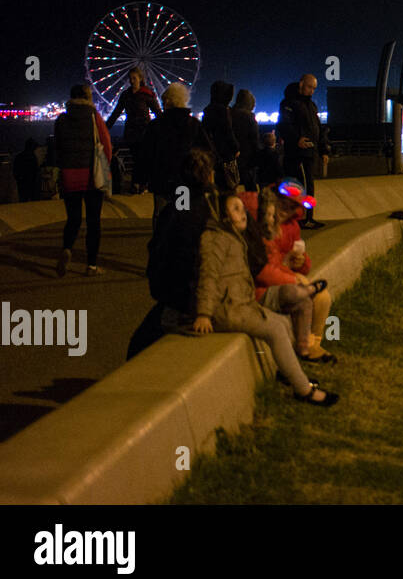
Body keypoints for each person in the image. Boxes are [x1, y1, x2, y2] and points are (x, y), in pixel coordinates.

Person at [193, 193, 337, 406]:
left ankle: (290, 374)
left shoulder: (233, 236)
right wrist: (204, 314)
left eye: (242, 209)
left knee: (283, 322)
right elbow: (208, 276)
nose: (243, 215)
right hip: (227, 309)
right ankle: (304, 390)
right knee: (276, 329)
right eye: (235, 209)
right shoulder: (214, 239)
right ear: (223, 216)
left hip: (241, 303)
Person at [128, 148, 220, 359]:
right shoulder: (219, 207)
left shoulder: (177, 210)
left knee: (138, 348)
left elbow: (159, 250)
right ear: (210, 175)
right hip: (213, 290)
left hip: (182, 295)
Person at [244, 184, 334, 363]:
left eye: (293, 207)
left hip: (281, 275)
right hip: (265, 284)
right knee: (309, 295)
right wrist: (294, 279)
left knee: (323, 298)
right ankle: (306, 346)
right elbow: (264, 269)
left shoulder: (291, 227)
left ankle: (314, 342)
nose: (287, 210)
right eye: (283, 204)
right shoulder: (262, 224)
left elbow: (301, 264)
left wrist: (300, 263)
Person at [51, 84, 113, 277]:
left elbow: (57, 148)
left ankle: (67, 249)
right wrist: (105, 167)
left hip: (70, 175)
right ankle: (91, 265)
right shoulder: (94, 118)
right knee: (93, 222)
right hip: (91, 176)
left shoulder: (61, 120)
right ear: (88, 98)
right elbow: (106, 145)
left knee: (73, 219)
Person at [138, 82, 214, 224]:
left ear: (167, 102)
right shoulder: (193, 124)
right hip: (184, 181)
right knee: (181, 215)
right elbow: (207, 152)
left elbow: (146, 155)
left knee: (161, 216)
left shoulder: (156, 125)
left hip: (161, 180)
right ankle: (179, 243)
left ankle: (160, 243)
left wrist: (141, 179)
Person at [278, 74, 324, 228]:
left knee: (309, 185)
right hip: (296, 153)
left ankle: (308, 217)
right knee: (300, 185)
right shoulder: (289, 103)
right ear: (301, 84)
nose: (312, 91)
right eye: (310, 87)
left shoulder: (311, 106)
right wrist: (296, 139)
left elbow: (317, 127)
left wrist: (324, 149)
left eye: (314, 88)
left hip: (310, 152)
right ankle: (300, 218)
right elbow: (284, 124)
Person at [105, 68, 162, 193]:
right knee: (138, 158)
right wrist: (105, 127)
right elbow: (116, 112)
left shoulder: (147, 94)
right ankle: (140, 184)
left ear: (140, 79)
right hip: (131, 132)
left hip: (145, 131)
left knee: (142, 158)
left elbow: (158, 112)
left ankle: (138, 184)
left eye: (134, 78)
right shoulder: (126, 95)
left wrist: (164, 126)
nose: (131, 81)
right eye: (130, 79)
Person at [201, 81, 241, 190]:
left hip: (214, 153)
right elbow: (227, 131)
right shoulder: (223, 110)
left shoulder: (208, 109)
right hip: (226, 154)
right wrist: (236, 147)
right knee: (229, 185)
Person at [231, 89, 260, 190]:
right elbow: (254, 139)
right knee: (251, 188)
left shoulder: (230, 114)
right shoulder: (249, 117)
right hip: (247, 158)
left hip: (233, 157)